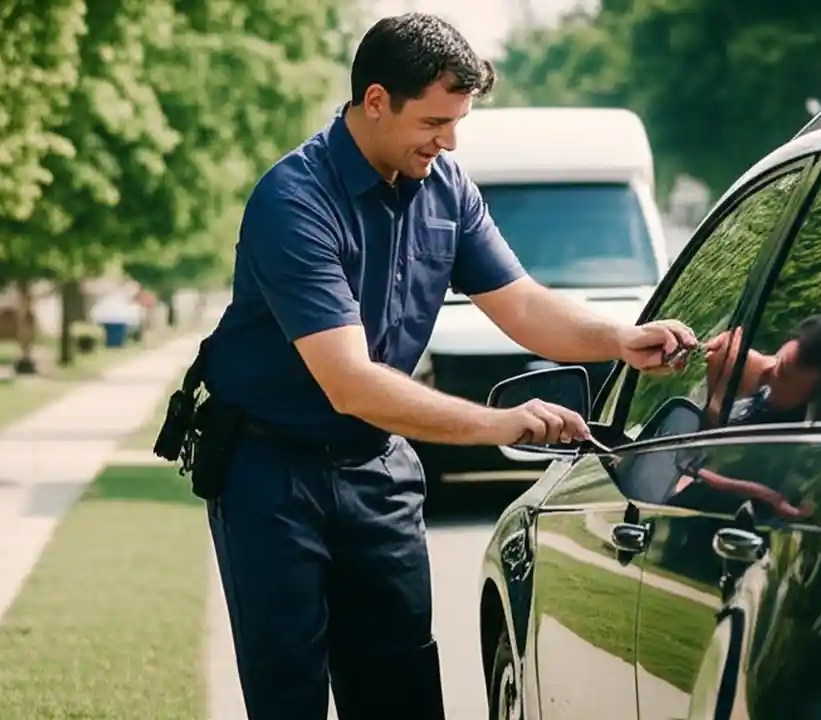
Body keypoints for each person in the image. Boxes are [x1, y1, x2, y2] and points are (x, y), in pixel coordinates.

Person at [185, 14, 695, 720]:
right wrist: (499, 424)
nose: (449, 140)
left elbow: (521, 305)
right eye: (434, 120)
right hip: (272, 479)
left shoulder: (446, 187)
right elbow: (350, 381)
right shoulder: (294, 201)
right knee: (288, 695)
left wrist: (619, 338)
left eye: (458, 121)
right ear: (374, 102)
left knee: (402, 690)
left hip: (377, 468)